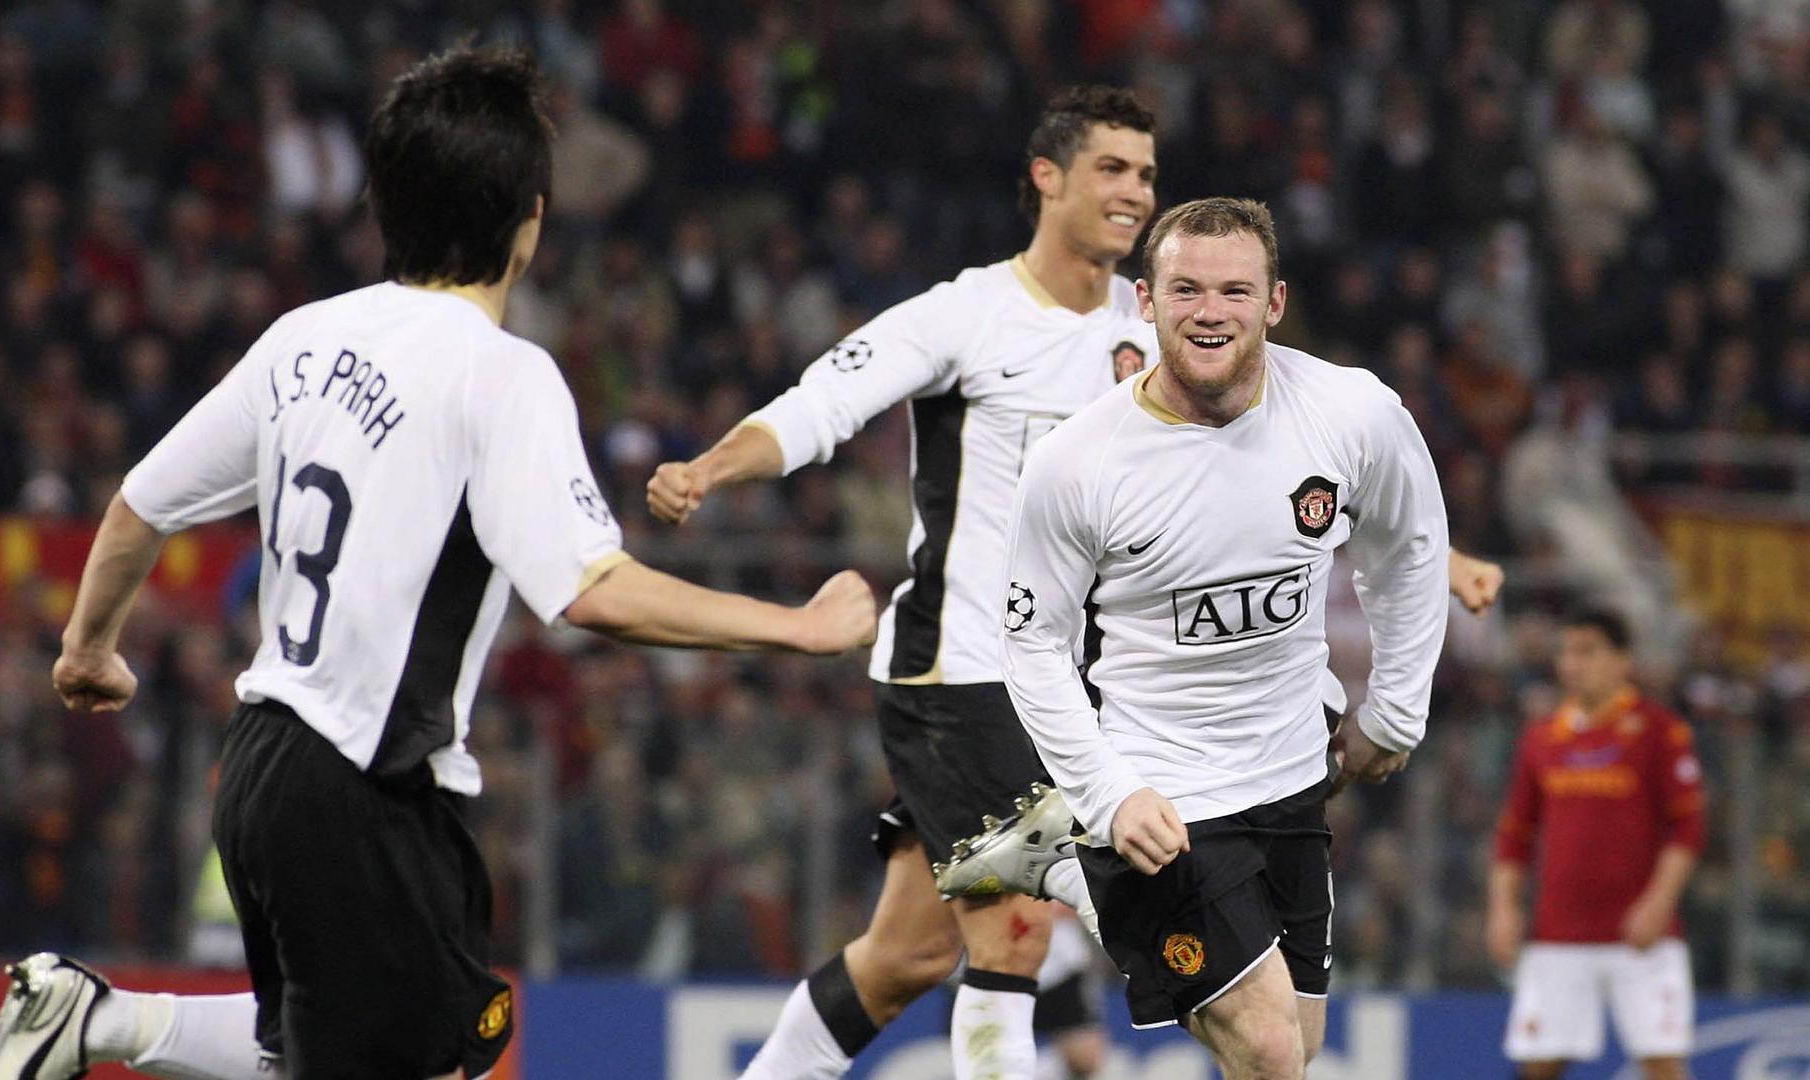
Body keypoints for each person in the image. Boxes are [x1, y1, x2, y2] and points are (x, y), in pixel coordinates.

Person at [0, 45, 876, 1080]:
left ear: (383, 202)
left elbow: (138, 504)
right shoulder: (501, 373)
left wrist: (89, 648)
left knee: (365, 1048)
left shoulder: (300, 339)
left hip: (260, 766)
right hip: (367, 786)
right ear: (530, 216)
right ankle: (98, 1023)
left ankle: (100, 1023)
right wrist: (793, 627)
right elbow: (591, 590)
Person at [649, 89, 1504, 1080]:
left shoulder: (1160, 325)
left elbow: (1246, 495)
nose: (1134, 191)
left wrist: (1431, 556)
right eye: (1110, 168)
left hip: (1075, 688)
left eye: (1145, 172)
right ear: (1045, 179)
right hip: (961, 676)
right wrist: (708, 468)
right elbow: (820, 405)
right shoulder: (965, 316)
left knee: (904, 957)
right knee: (1017, 930)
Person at [997, 197, 1450, 1079]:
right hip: (1159, 792)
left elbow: (1410, 547)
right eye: (1186, 290)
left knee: (1296, 1047)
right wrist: (1109, 792)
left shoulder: (1351, 413)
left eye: (1235, 290)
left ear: (1273, 302)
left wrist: (1393, 710)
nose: (1210, 312)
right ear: (1144, 300)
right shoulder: (1076, 463)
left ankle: (1070, 872)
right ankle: (1085, 854)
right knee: (1272, 1049)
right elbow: (1033, 645)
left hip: (1291, 779)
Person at [1488, 609, 1704, 1080]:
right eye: (1566, 652)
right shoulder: (1542, 738)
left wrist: (1658, 903)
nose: (1572, 664)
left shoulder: (1660, 732)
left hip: (1641, 934)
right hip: (1558, 932)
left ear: (1622, 660)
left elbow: (1687, 829)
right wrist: (1504, 909)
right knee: (1539, 1065)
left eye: (1588, 651)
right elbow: (1514, 835)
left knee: (1663, 1062)